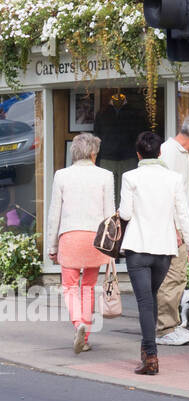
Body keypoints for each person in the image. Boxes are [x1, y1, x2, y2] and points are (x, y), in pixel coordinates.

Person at [119, 131, 189, 376]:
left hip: (138, 247)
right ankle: (147, 351)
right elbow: (182, 214)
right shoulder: (173, 179)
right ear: (160, 152)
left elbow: (125, 214)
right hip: (164, 249)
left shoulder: (130, 177)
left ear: (138, 154)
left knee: (144, 301)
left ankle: (150, 355)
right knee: (151, 296)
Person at [45, 132, 115, 355]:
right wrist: (112, 246)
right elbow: (109, 214)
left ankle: (78, 323)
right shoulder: (105, 175)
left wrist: (52, 246)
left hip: (70, 236)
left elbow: (54, 214)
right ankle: (84, 336)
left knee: (69, 286)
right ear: (93, 153)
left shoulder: (61, 175)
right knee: (89, 286)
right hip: (95, 238)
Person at [155, 113, 189, 346]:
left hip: (177, 226)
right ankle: (165, 330)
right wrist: (176, 229)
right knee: (172, 278)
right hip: (172, 228)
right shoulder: (170, 151)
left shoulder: (180, 152)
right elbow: (163, 193)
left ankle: (172, 325)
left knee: (177, 279)